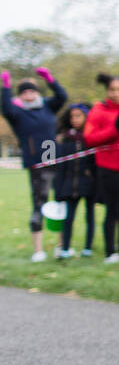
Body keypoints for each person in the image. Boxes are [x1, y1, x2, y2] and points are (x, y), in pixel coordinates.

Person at [2, 67, 67, 261]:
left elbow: (62, 96)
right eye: (24, 92)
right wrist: (5, 87)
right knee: (39, 203)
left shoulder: (47, 106)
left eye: (32, 91)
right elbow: (5, 107)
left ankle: (62, 245)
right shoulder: (17, 112)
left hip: (55, 159)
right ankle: (38, 250)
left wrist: (50, 79)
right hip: (37, 165)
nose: (29, 95)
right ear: (20, 96)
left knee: (60, 203)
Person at [83, 73, 119, 263]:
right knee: (112, 209)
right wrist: (113, 130)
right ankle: (111, 251)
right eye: (112, 90)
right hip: (108, 166)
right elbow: (90, 138)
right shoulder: (98, 111)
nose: (116, 93)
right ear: (107, 91)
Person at [53, 103, 97, 258]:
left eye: (79, 116)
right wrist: (58, 189)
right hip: (69, 185)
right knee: (68, 218)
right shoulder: (65, 139)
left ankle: (88, 247)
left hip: (88, 183)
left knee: (90, 216)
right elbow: (60, 165)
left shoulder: (91, 137)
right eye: (72, 116)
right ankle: (65, 248)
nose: (75, 119)